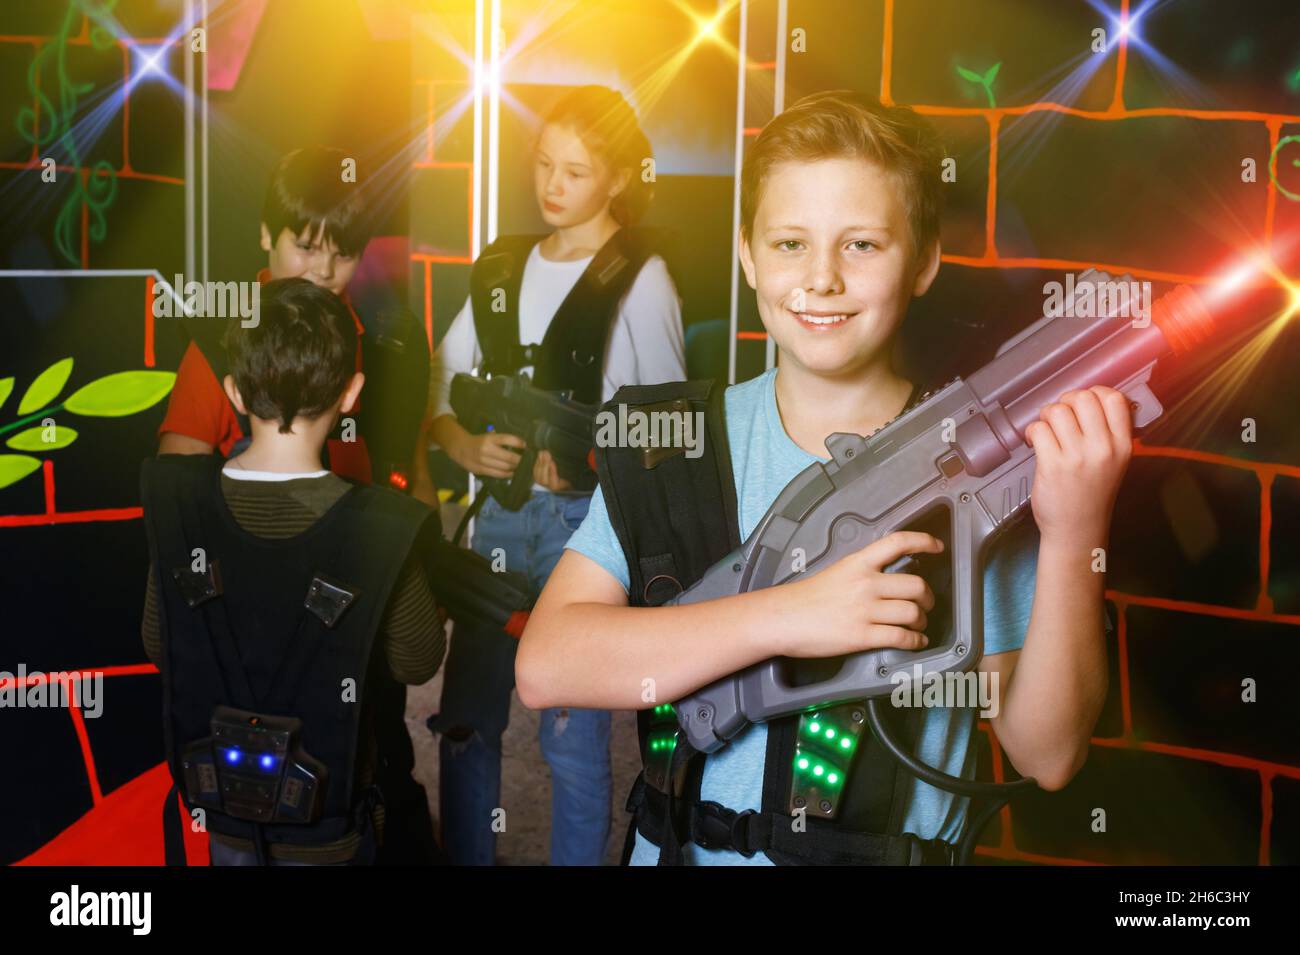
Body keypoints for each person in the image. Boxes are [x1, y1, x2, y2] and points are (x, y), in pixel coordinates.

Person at [517, 90, 1127, 865]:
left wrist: (1076, 532)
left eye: (862, 244)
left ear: (924, 261)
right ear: (747, 253)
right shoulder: (672, 445)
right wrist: (793, 614)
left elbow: (1048, 753)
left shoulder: (979, 469)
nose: (822, 278)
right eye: (790, 243)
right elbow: (546, 664)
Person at [426, 85, 685, 865]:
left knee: (572, 741)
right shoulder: (502, 266)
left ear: (618, 178)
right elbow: (445, 377)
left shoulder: (642, 276)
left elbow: (670, 429)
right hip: (497, 521)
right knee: (467, 720)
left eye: (575, 171)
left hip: (588, 533)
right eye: (543, 165)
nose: (552, 185)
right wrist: (460, 443)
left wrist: (586, 460)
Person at [141, 278, 445, 865]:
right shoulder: (383, 527)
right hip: (330, 826)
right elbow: (418, 660)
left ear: (234, 391)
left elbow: (159, 641)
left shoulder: (180, 507)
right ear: (352, 393)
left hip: (224, 816)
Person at [156, 145, 436, 500]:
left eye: (343, 253)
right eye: (306, 247)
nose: (324, 271)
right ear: (267, 234)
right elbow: (175, 493)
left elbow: (415, 479)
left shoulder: (387, 343)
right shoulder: (219, 344)